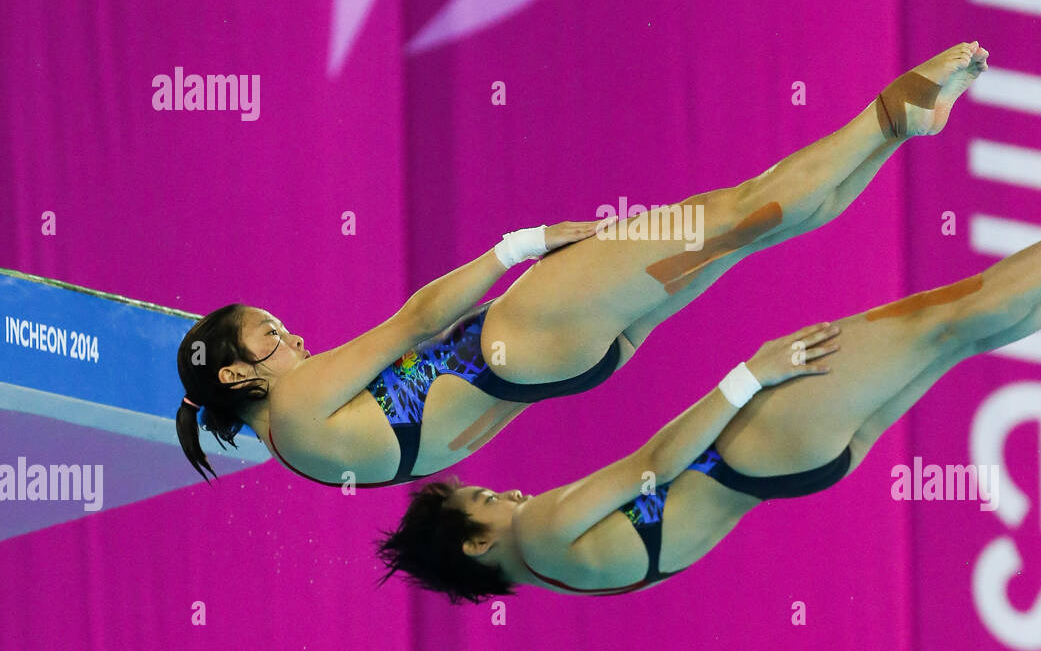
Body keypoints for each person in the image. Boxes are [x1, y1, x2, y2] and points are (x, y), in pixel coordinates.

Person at [376, 160, 1041, 599]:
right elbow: (655, 467)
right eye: (481, 502)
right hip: (757, 443)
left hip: (800, 466)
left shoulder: (570, 575)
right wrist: (748, 376)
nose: (501, 496)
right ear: (479, 544)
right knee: (941, 319)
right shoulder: (548, 536)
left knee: (958, 337)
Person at [176, 43, 990, 485]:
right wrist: (516, 248)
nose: (295, 338)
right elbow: (416, 323)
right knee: (740, 211)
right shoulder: (303, 403)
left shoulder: (304, 458)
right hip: (524, 332)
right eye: (271, 337)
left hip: (567, 366)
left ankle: (893, 130)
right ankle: (891, 114)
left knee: (747, 233)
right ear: (244, 378)